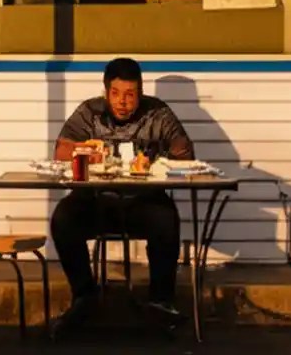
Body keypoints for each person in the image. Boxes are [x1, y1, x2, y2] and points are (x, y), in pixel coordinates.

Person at [49, 57, 195, 335]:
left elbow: (185, 154)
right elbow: (60, 152)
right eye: (116, 94)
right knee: (63, 218)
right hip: (95, 202)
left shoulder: (158, 112)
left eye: (130, 94)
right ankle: (84, 296)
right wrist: (89, 151)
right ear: (106, 92)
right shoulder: (90, 111)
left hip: (143, 202)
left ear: (141, 93)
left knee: (166, 218)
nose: (123, 102)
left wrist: (167, 154)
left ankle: (161, 301)